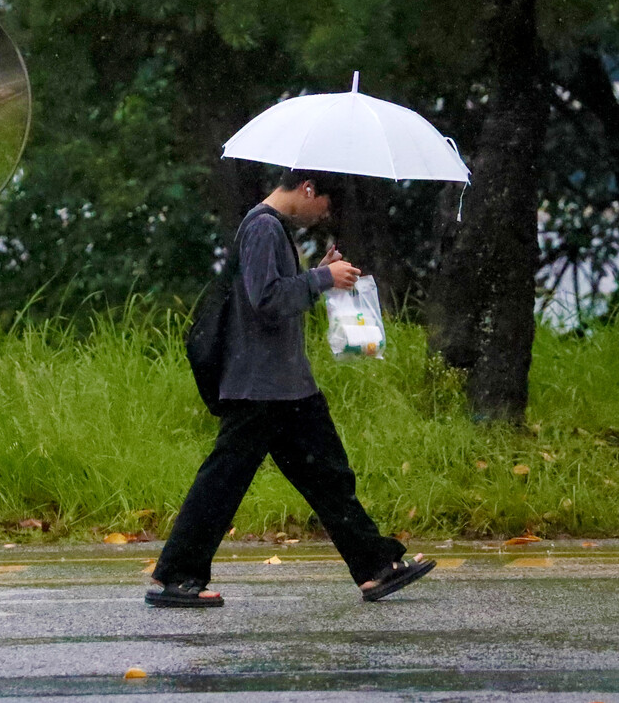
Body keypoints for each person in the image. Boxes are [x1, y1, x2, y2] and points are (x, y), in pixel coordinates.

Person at [146, 169, 435, 607]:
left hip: (285, 386)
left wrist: (318, 276)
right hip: (261, 388)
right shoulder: (263, 227)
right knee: (222, 483)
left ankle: (376, 565)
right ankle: (177, 577)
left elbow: (278, 291)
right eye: (325, 205)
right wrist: (321, 280)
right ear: (308, 189)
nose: (324, 215)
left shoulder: (272, 230)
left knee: (329, 479)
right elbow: (266, 300)